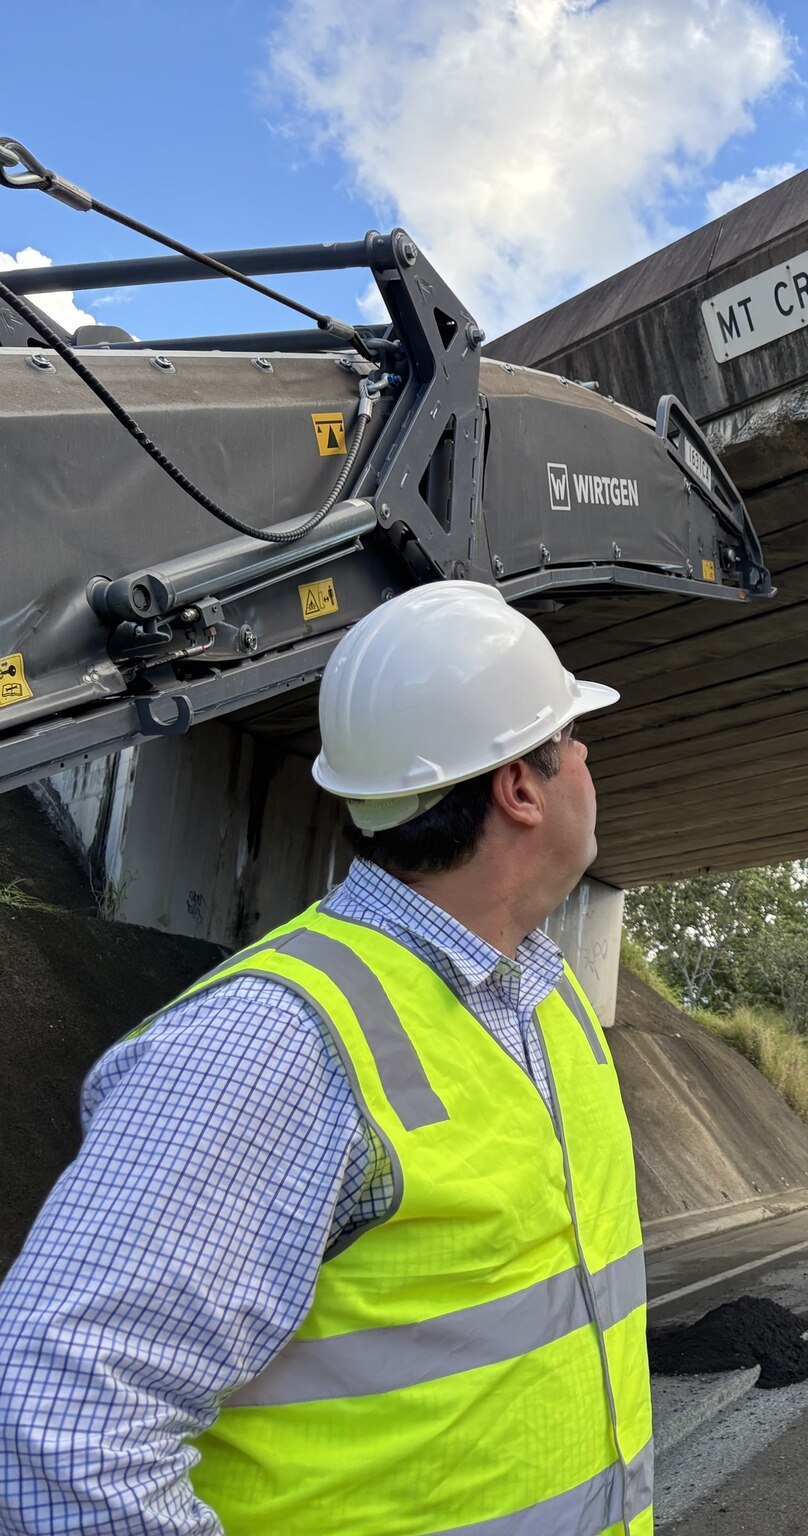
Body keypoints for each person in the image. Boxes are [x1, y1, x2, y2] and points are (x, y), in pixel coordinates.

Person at [0, 582, 653, 1535]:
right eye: (571, 735)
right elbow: (58, 1424)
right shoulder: (275, 1039)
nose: (590, 756)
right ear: (521, 787)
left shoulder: (547, 1002)